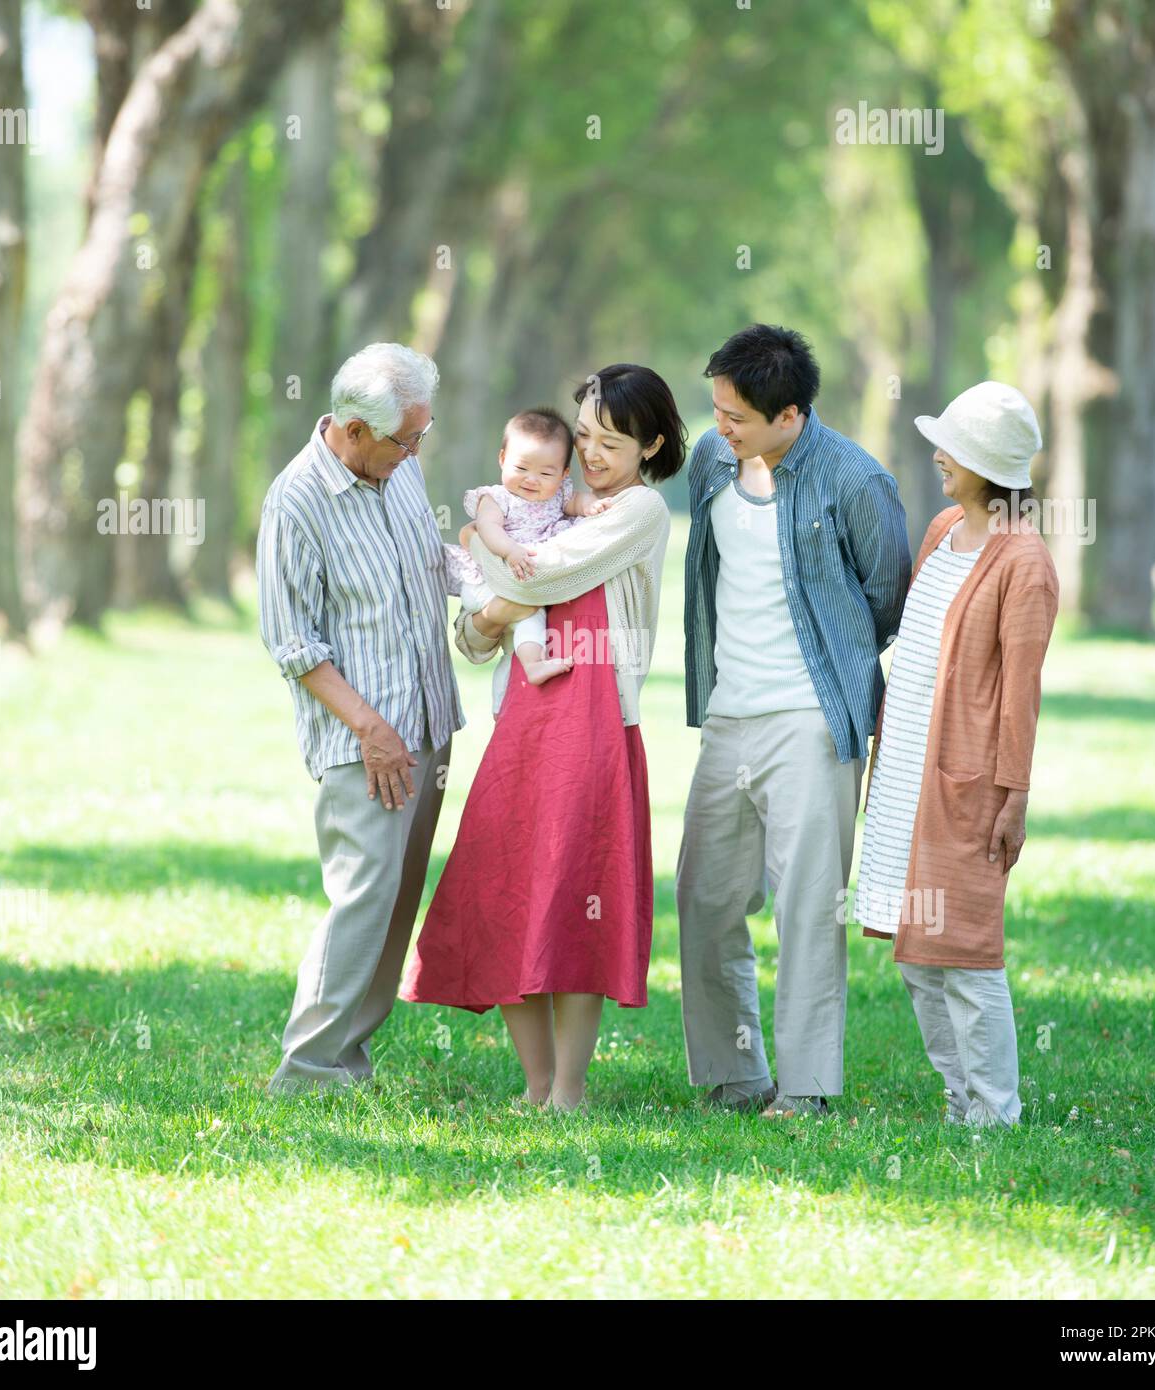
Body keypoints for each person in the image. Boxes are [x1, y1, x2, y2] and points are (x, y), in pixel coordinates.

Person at [400, 365, 685, 1111]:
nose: (590, 455)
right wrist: (488, 603)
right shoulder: (549, 502)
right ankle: (535, 1084)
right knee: (506, 892)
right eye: (584, 436)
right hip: (524, 721)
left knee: (581, 896)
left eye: (611, 444)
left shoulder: (640, 511)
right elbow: (474, 640)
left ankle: (571, 1087)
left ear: (650, 445)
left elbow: (543, 575)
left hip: (593, 725)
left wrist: (482, 562)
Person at [676, 324, 911, 1118]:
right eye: (717, 410)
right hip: (727, 716)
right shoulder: (712, 462)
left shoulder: (855, 481)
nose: (721, 428)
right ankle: (734, 1074)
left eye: (737, 416)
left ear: (790, 416)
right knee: (706, 902)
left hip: (812, 721)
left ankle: (806, 1088)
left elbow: (886, 598)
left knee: (808, 908)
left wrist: (834, 664)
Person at [257, 343, 463, 1094]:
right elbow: (292, 642)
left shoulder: (397, 469)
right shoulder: (296, 501)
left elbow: (422, 562)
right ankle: (307, 1066)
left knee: (397, 900)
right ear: (350, 428)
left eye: (421, 438)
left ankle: (348, 1056)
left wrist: (482, 573)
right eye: (403, 440)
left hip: (429, 728)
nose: (414, 453)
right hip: (364, 744)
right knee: (363, 897)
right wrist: (373, 730)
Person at [854, 380, 1059, 1128]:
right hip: (909, 766)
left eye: (957, 450)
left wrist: (1014, 794)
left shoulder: (1025, 563)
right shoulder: (943, 529)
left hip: (968, 781)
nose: (940, 456)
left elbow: (1019, 692)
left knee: (966, 953)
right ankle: (959, 1098)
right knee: (914, 951)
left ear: (992, 468)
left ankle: (995, 1113)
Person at [443, 406, 610, 689]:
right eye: (521, 468)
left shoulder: (559, 496)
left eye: (546, 473)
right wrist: (510, 551)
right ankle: (525, 671)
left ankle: (531, 669)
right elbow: (487, 528)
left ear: (563, 474)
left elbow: (577, 502)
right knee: (530, 616)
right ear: (502, 459)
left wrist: (591, 506)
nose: (531, 480)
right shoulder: (496, 498)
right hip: (486, 583)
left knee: (526, 631)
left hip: (524, 583)